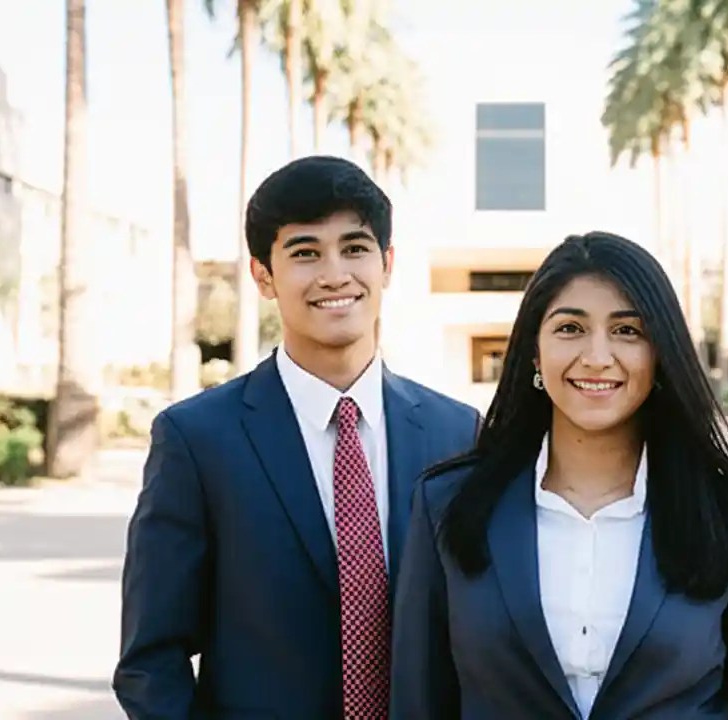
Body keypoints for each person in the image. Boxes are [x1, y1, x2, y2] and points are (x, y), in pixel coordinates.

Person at [113, 156, 480, 719]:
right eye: (305, 253)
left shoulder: (456, 432)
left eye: (354, 248)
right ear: (263, 276)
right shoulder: (198, 438)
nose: (335, 274)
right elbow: (150, 659)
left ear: (386, 264)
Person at [391, 231, 728, 719]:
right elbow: (419, 701)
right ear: (534, 354)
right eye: (570, 328)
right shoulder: (447, 503)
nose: (597, 356)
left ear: (660, 355)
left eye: (627, 331)